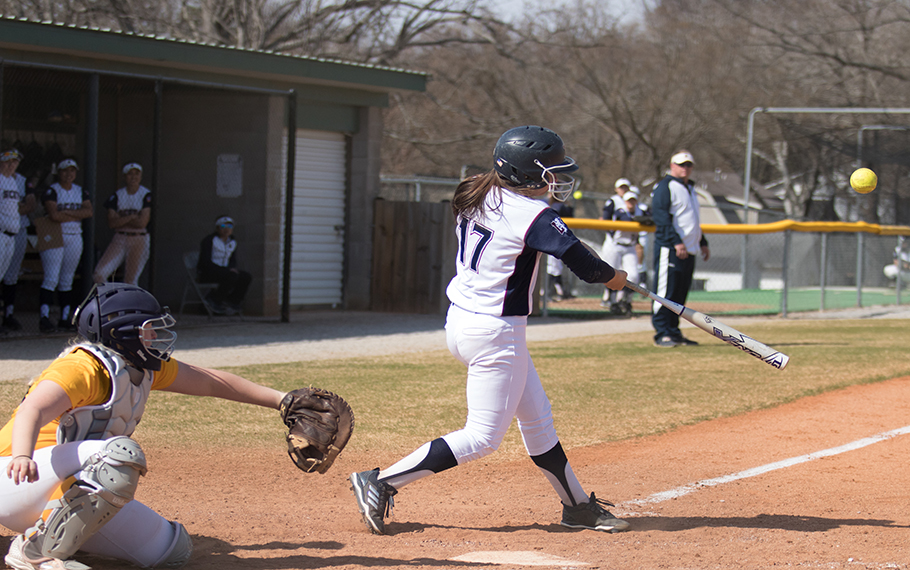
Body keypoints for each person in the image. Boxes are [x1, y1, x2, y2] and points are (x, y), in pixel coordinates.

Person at [349, 125, 630, 536]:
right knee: (482, 437)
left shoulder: (480, 193)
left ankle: (577, 507)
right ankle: (381, 482)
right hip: (497, 332)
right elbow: (585, 265)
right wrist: (615, 277)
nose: (556, 179)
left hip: (465, 321)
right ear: (524, 174)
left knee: (538, 421)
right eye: (548, 172)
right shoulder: (532, 213)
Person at [0, 282, 288, 570]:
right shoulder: (84, 367)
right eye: (150, 329)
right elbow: (31, 410)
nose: (158, 336)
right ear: (123, 332)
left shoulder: (141, 368)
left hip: (58, 489)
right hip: (16, 478)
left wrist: (282, 400)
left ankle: (61, 538)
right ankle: (33, 552)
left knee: (171, 549)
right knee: (118, 456)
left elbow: (211, 381)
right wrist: (22, 456)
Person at [650, 150, 709, 348]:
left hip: (689, 248)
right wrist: (676, 242)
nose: (685, 168)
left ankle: (674, 332)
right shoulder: (666, 186)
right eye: (681, 164)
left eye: (688, 165)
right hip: (671, 248)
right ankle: (662, 333)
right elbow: (661, 217)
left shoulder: (690, 188)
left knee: (680, 295)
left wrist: (702, 242)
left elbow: (692, 220)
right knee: (666, 292)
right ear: (672, 165)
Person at [38, 158, 92, 333]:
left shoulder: (80, 191)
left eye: (72, 171)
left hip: (74, 236)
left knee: (67, 279)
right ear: (59, 172)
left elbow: (88, 212)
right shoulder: (52, 190)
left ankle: (64, 318)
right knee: (51, 278)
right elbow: (54, 215)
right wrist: (76, 214)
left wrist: (66, 212)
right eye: (65, 171)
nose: (68, 174)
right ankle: (44, 318)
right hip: (54, 235)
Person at [93, 162, 152, 286]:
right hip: (119, 238)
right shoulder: (118, 195)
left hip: (139, 239)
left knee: (130, 281)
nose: (133, 177)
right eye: (130, 174)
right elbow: (112, 223)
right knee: (99, 274)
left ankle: (131, 305)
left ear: (141, 176)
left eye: (137, 174)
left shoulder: (145, 194)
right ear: (124, 176)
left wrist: (121, 218)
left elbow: (142, 222)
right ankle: (111, 302)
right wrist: (131, 217)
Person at [1, 149, 36, 332]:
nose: (11, 165)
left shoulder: (13, 181)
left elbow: (27, 205)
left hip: (12, 235)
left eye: (14, 162)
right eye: (7, 161)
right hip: (0, 232)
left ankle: (7, 316)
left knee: (8, 276)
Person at [197, 215, 251, 315]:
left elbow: (232, 260)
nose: (226, 229)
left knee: (246, 277)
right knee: (232, 276)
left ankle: (232, 301)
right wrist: (224, 270)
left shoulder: (232, 242)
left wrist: (231, 268)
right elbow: (205, 262)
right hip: (210, 272)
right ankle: (215, 300)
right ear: (218, 228)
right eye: (223, 226)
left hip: (226, 272)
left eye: (229, 227)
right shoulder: (209, 241)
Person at [601, 191, 644, 316]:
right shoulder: (620, 211)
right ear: (625, 201)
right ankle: (613, 301)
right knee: (612, 274)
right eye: (629, 201)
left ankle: (625, 300)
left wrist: (645, 219)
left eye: (633, 200)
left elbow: (650, 217)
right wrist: (641, 220)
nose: (631, 203)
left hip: (630, 246)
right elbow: (625, 219)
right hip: (615, 245)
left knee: (634, 275)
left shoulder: (640, 211)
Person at [600, 178, 633, 309]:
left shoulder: (632, 201)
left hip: (629, 243)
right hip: (613, 242)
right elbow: (606, 218)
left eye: (625, 187)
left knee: (632, 273)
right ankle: (609, 298)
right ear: (616, 188)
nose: (623, 189)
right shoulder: (613, 201)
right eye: (621, 187)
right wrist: (612, 232)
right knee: (611, 271)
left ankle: (623, 300)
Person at [543, 194, 575, 301]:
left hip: (557, 239)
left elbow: (569, 215)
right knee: (553, 266)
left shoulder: (560, 206)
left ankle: (556, 291)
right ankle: (550, 292)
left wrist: (568, 205)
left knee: (555, 267)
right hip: (550, 239)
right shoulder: (547, 204)